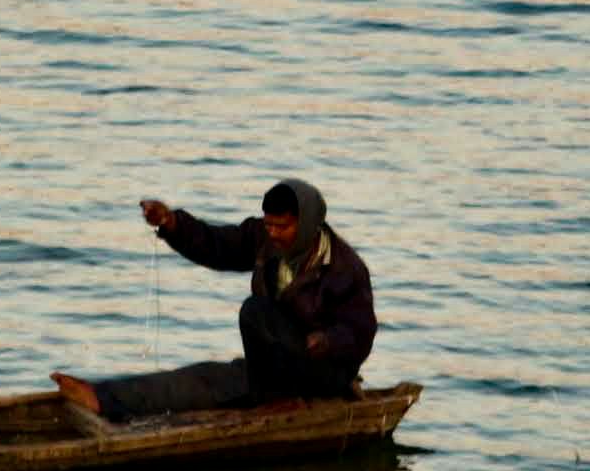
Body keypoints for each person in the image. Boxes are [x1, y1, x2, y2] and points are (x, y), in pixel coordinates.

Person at [55, 178, 375, 422]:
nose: (274, 233)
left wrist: (328, 340)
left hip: (323, 372)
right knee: (202, 379)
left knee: (256, 312)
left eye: (283, 226)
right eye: (269, 224)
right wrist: (172, 224)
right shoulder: (264, 240)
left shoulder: (344, 267)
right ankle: (104, 398)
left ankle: (278, 401)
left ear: (305, 224)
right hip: (273, 369)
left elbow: (360, 331)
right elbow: (217, 244)